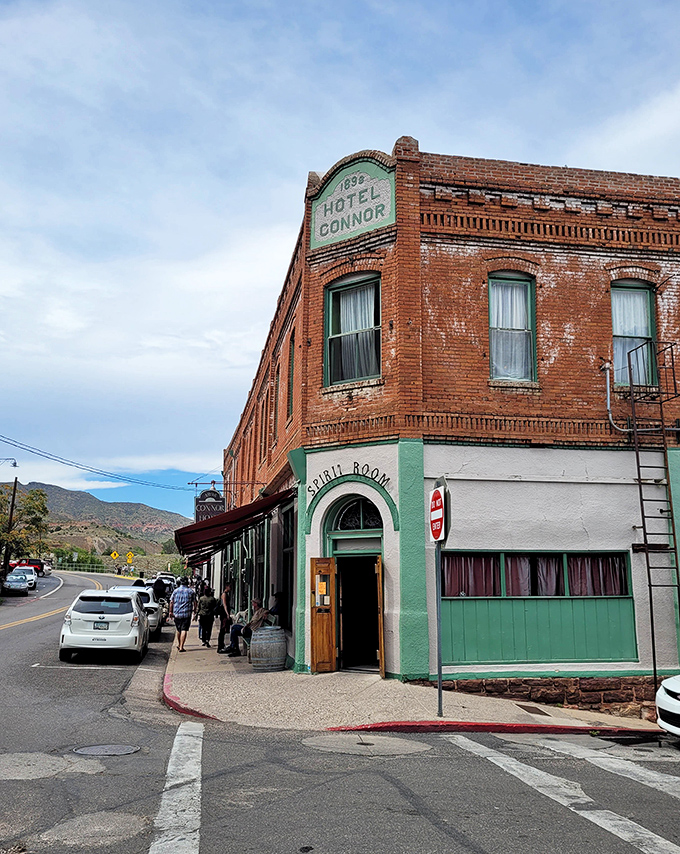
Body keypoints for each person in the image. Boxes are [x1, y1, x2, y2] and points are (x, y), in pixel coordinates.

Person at [169, 576, 196, 652]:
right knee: (184, 629)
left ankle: (179, 644)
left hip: (177, 613)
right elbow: (195, 602)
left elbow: (171, 602)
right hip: (186, 614)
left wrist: (170, 612)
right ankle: (181, 646)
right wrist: (195, 611)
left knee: (178, 629)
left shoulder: (175, 591)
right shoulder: (190, 591)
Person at [216, 582, 232, 653]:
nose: (231, 588)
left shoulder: (226, 594)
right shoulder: (224, 594)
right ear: (226, 587)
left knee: (224, 629)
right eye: (230, 586)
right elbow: (224, 605)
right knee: (223, 629)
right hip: (224, 613)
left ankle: (222, 645)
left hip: (225, 613)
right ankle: (220, 646)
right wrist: (227, 614)